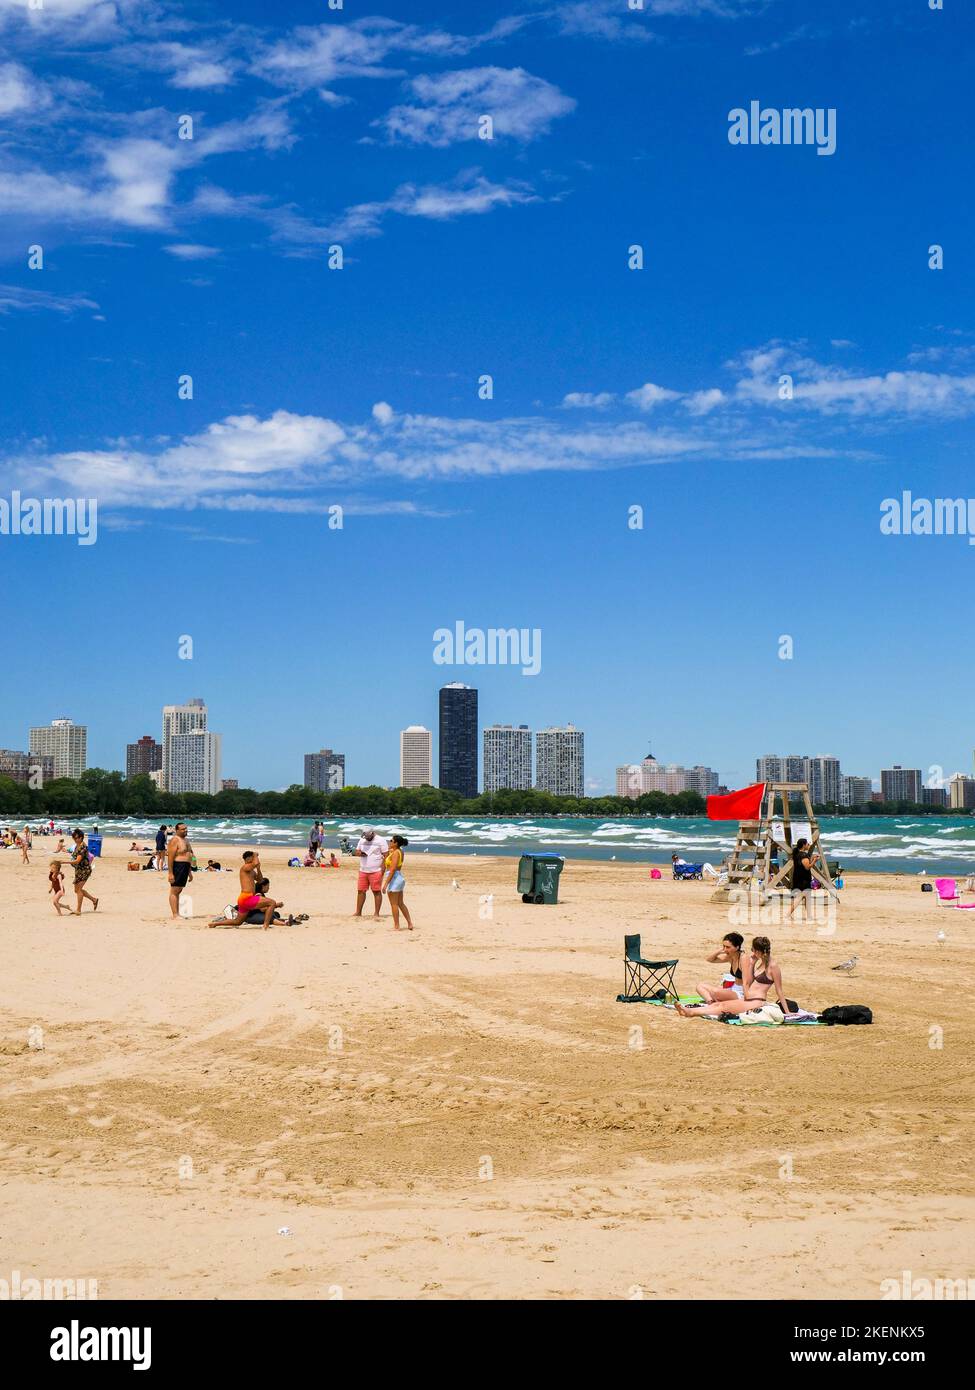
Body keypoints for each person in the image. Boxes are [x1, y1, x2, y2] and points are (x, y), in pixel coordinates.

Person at [675, 936, 785, 1019]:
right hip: (749, 998)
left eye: (754, 950)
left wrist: (788, 1013)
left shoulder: (772, 966)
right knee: (719, 1004)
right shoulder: (760, 964)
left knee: (723, 1007)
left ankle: (692, 1012)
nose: (752, 953)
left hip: (755, 1001)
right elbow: (709, 959)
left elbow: (779, 991)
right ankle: (691, 1011)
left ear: (759, 951)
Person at [209, 851, 279, 929]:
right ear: (248, 858)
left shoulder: (252, 871)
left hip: (243, 899)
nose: (254, 859)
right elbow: (255, 863)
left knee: (237, 922)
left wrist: (258, 869)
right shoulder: (245, 867)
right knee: (272, 903)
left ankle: (215, 924)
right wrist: (255, 855)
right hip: (247, 897)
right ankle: (265, 925)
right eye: (252, 858)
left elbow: (260, 880)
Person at [695, 932, 745, 1003]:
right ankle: (711, 1002)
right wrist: (720, 951)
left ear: (737, 947)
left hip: (740, 993)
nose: (725, 949)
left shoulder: (743, 959)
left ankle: (713, 1002)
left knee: (715, 992)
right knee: (700, 986)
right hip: (733, 989)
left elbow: (748, 981)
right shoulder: (730, 957)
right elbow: (710, 959)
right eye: (723, 946)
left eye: (728, 947)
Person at [354, 826, 388, 919]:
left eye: (368, 836)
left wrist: (383, 869)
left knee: (376, 891)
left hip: (376, 870)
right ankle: (358, 912)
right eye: (365, 837)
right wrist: (360, 854)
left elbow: (386, 855)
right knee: (360, 891)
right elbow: (356, 851)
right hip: (363, 869)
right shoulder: (362, 840)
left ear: (372, 833)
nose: (366, 838)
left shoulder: (381, 840)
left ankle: (376, 913)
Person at [382, 834, 414, 932]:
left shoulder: (396, 853)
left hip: (394, 878)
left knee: (394, 904)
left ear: (395, 843)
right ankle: (409, 923)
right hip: (398, 877)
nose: (389, 842)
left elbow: (392, 869)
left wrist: (386, 884)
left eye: (391, 841)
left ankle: (397, 926)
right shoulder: (399, 851)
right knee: (400, 903)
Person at [167, 822, 194, 918]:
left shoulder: (186, 840)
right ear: (177, 830)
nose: (185, 830)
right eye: (183, 829)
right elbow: (170, 857)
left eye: (186, 828)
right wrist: (170, 873)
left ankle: (177, 913)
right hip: (178, 866)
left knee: (179, 890)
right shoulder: (175, 840)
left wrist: (190, 872)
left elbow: (190, 856)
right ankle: (175, 914)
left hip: (185, 867)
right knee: (174, 890)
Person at [68, 829, 98, 915]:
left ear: (81, 838)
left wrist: (64, 862)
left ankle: (78, 910)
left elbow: (77, 861)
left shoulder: (83, 847)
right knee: (76, 890)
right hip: (78, 870)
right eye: (73, 837)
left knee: (79, 890)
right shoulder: (76, 845)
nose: (75, 839)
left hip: (85, 870)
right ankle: (94, 900)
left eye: (76, 838)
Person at [788, 837, 814, 921]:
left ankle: (809, 916)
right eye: (807, 844)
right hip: (803, 879)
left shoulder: (796, 854)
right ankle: (788, 914)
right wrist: (815, 861)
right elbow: (807, 867)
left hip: (798, 877)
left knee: (808, 897)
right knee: (800, 897)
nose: (809, 845)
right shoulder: (803, 855)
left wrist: (812, 859)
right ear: (804, 845)